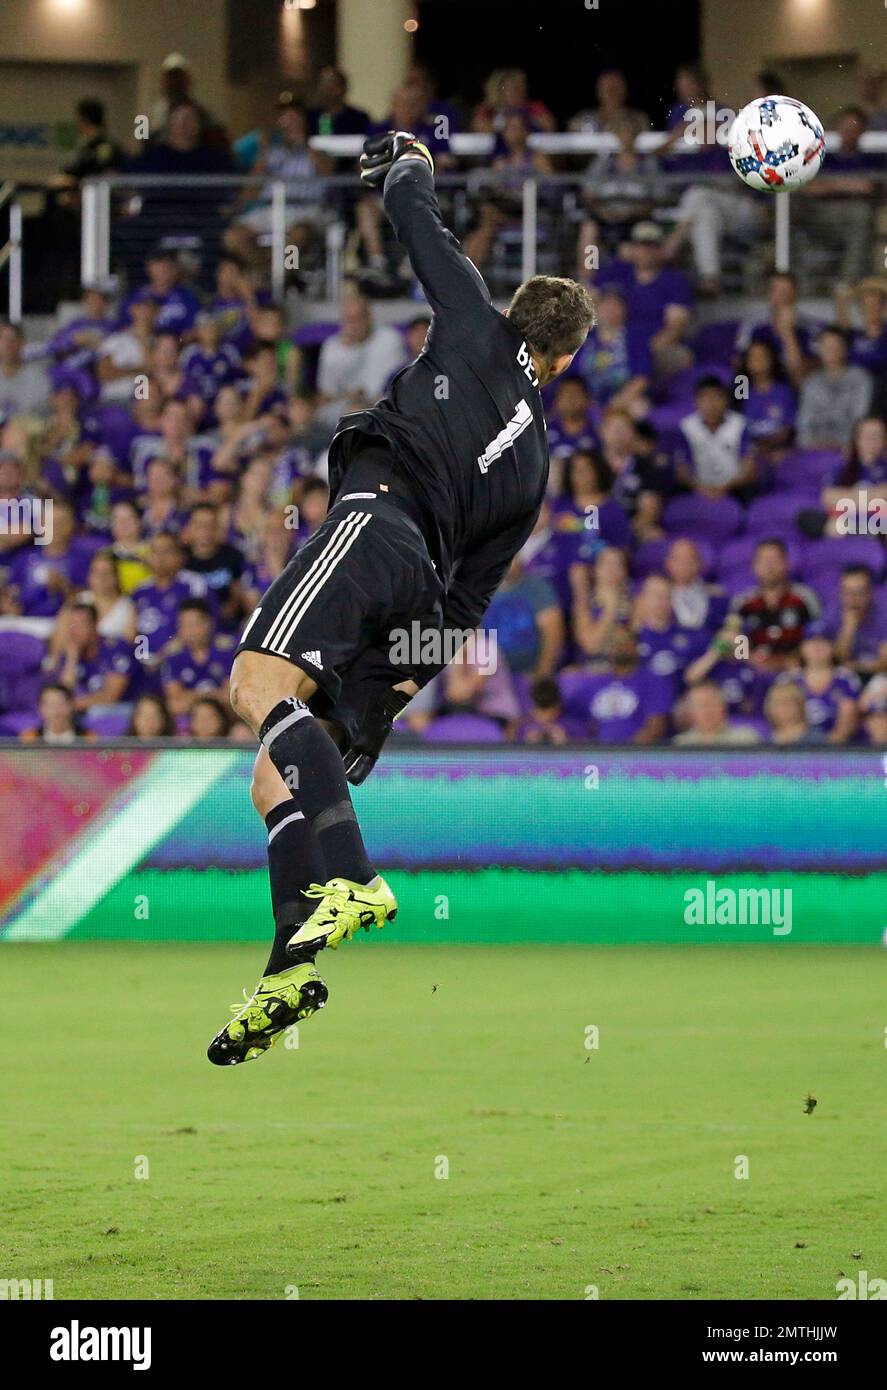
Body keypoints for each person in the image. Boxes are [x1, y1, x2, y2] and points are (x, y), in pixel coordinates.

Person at [211, 129, 594, 1066]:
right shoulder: (536, 469)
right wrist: (381, 700)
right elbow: (465, 607)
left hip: (372, 522)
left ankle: (354, 876)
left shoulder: (477, 326)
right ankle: (287, 971)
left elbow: (421, 228)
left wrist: (408, 161)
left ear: (513, 321)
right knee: (281, 770)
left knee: (255, 685)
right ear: (569, 362)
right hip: (417, 587)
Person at [796, 327, 873, 449]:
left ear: (844, 349)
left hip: (848, 449)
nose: (831, 350)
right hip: (815, 449)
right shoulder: (811, 383)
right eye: (825, 345)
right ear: (819, 350)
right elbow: (804, 424)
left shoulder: (860, 378)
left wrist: (845, 446)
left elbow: (860, 419)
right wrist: (810, 446)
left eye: (835, 345)